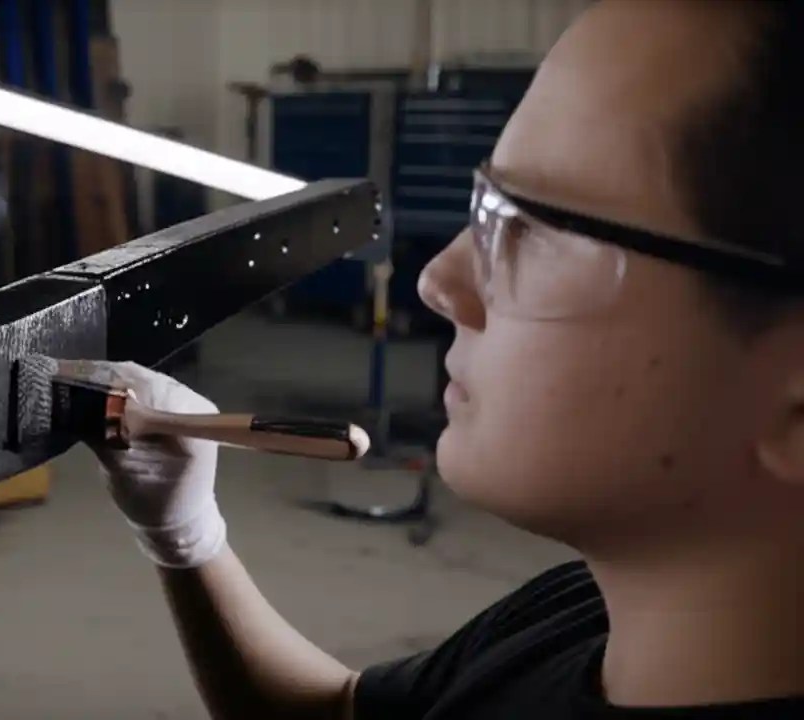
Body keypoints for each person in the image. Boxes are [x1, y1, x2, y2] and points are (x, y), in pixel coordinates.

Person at [86, 1, 804, 718]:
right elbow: (339, 711)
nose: (438, 281)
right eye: (488, 205)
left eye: (537, 231)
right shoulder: (580, 609)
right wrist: (188, 538)